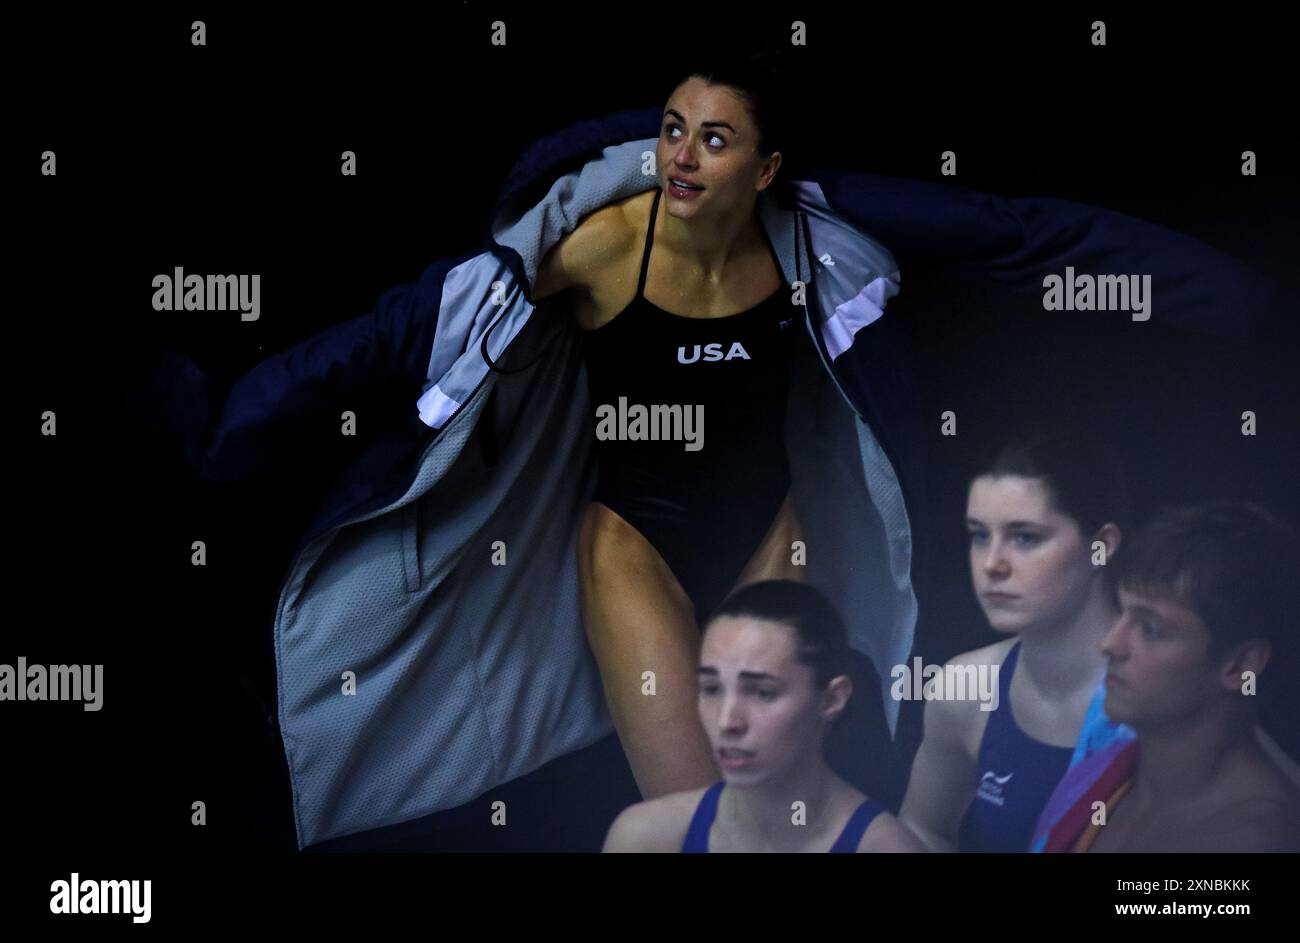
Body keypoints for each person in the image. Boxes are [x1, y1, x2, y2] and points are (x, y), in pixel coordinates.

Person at [532, 54, 809, 798]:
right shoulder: (611, 244)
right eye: (672, 130)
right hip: (637, 540)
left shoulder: (804, 253)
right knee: (697, 813)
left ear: (764, 168)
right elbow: (471, 304)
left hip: (769, 529)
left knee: (775, 804)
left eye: (715, 141)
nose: (681, 158)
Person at [899, 431, 1130, 852]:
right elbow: (922, 832)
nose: (992, 565)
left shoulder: (1173, 694)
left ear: (1101, 547)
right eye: (979, 535)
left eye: (1025, 537)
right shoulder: (964, 686)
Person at [1037, 501, 1300, 852]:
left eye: (1150, 628)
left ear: (1240, 666)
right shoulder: (1099, 777)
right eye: (1121, 612)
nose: (1110, 644)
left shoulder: (1258, 839)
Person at [602, 580, 925, 852]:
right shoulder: (644, 838)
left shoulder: (887, 846)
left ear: (831, 699)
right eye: (712, 688)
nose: (728, 721)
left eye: (762, 693)